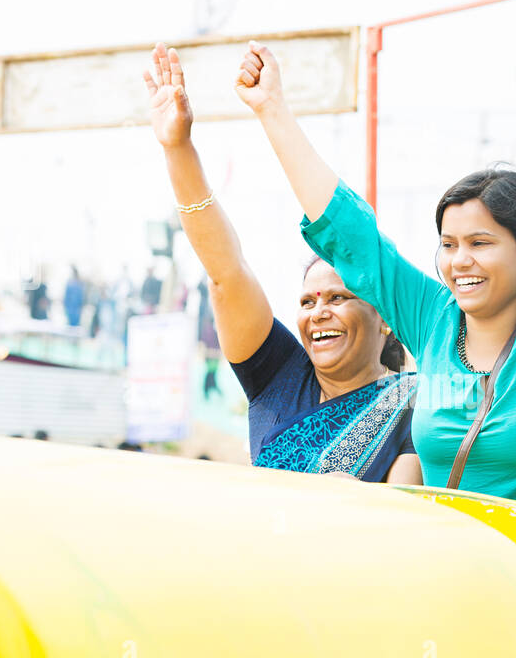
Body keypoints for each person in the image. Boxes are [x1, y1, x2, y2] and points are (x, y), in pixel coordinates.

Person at [237, 17, 516, 517]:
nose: (459, 261)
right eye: (448, 244)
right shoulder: (433, 318)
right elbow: (351, 237)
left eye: (480, 243)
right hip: (464, 586)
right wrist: (272, 111)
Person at [142, 44, 420, 484]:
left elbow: (403, 514)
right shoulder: (279, 377)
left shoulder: (415, 408)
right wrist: (177, 147)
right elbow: (225, 274)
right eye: (308, 301)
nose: (318, 312)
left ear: (383, 317)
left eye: (337, 297)